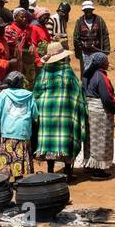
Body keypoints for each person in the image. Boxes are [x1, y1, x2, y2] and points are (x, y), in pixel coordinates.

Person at [32, 41, 88, 179]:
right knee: (65, 140)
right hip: (65, 112)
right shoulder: (67, 72)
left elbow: (36, 93)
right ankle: (68, 173)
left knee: (48, 142)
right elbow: (77, 92)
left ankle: (50, 172)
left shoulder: (43, 73)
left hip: (46, 112)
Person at [0, 71, 35, 177]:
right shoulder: (29, 95)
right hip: (23, 132)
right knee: (20, 159)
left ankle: (7, 184)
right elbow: (35, 114)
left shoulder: (3, 94)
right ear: (21, 83)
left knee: (7, 160)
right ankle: (19, 180)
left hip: (8, 132)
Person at [81, 51, 115, 180]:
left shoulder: (87, 75)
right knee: (101, 139)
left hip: (89, 110)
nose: (108, 63)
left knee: (91, 140)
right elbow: (107, 98)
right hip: (99, 112)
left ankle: (90, 164)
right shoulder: (100, 76)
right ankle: (98, 170)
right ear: (100, 63)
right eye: (106, 61)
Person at [72, 0, 109, 74]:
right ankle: (85, 85)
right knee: (85, 72)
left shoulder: (99, 20)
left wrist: (106, 50)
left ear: (92, 10)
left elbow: (105, 35)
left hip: (97, 51)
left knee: (98, 72)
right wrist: (78, 52)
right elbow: (76, 38)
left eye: (89, 10)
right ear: (83, 11)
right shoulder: (79, 21)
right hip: (85, 53)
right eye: (86, 10)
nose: (88, 12)